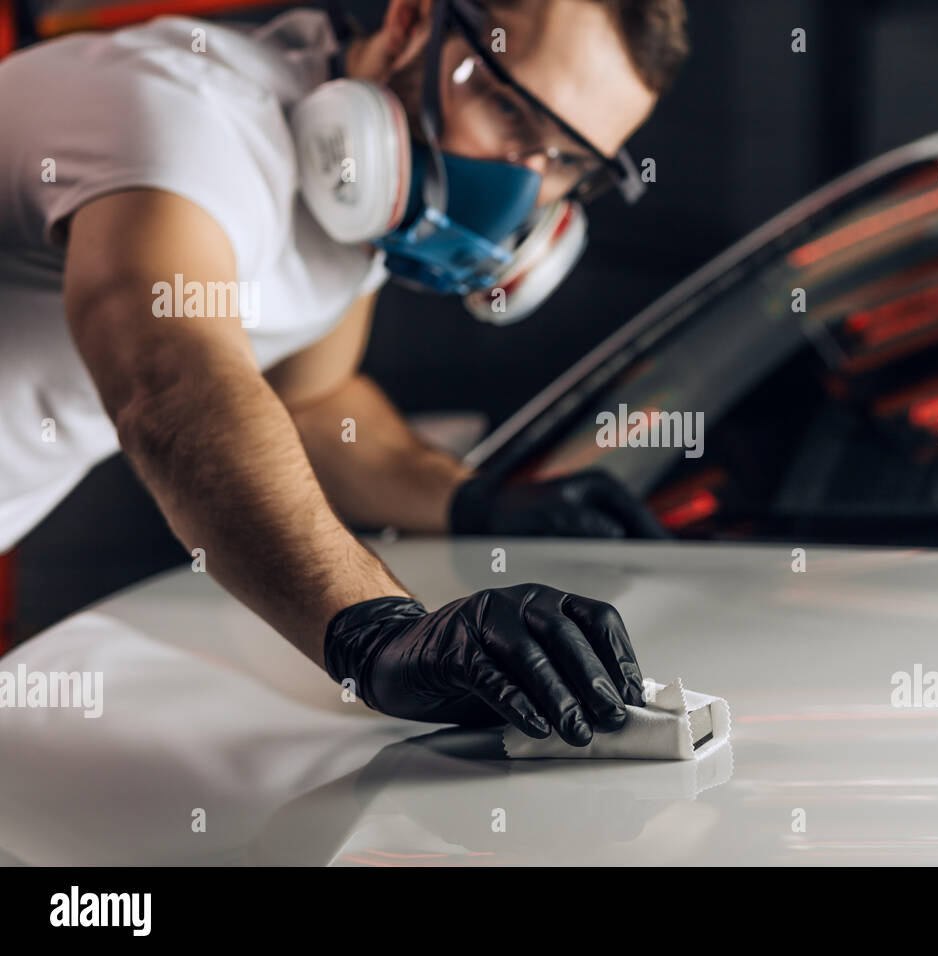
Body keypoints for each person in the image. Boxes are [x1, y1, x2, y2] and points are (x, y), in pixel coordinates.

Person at [0, 0, 689, 746]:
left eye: (567, 161)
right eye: (510, 112)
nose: (524, 184)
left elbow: (313, 405)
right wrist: (377, 631)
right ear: (411, 24)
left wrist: (478, 504)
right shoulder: (186, 119)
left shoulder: (359, 204)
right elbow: (169, 384)